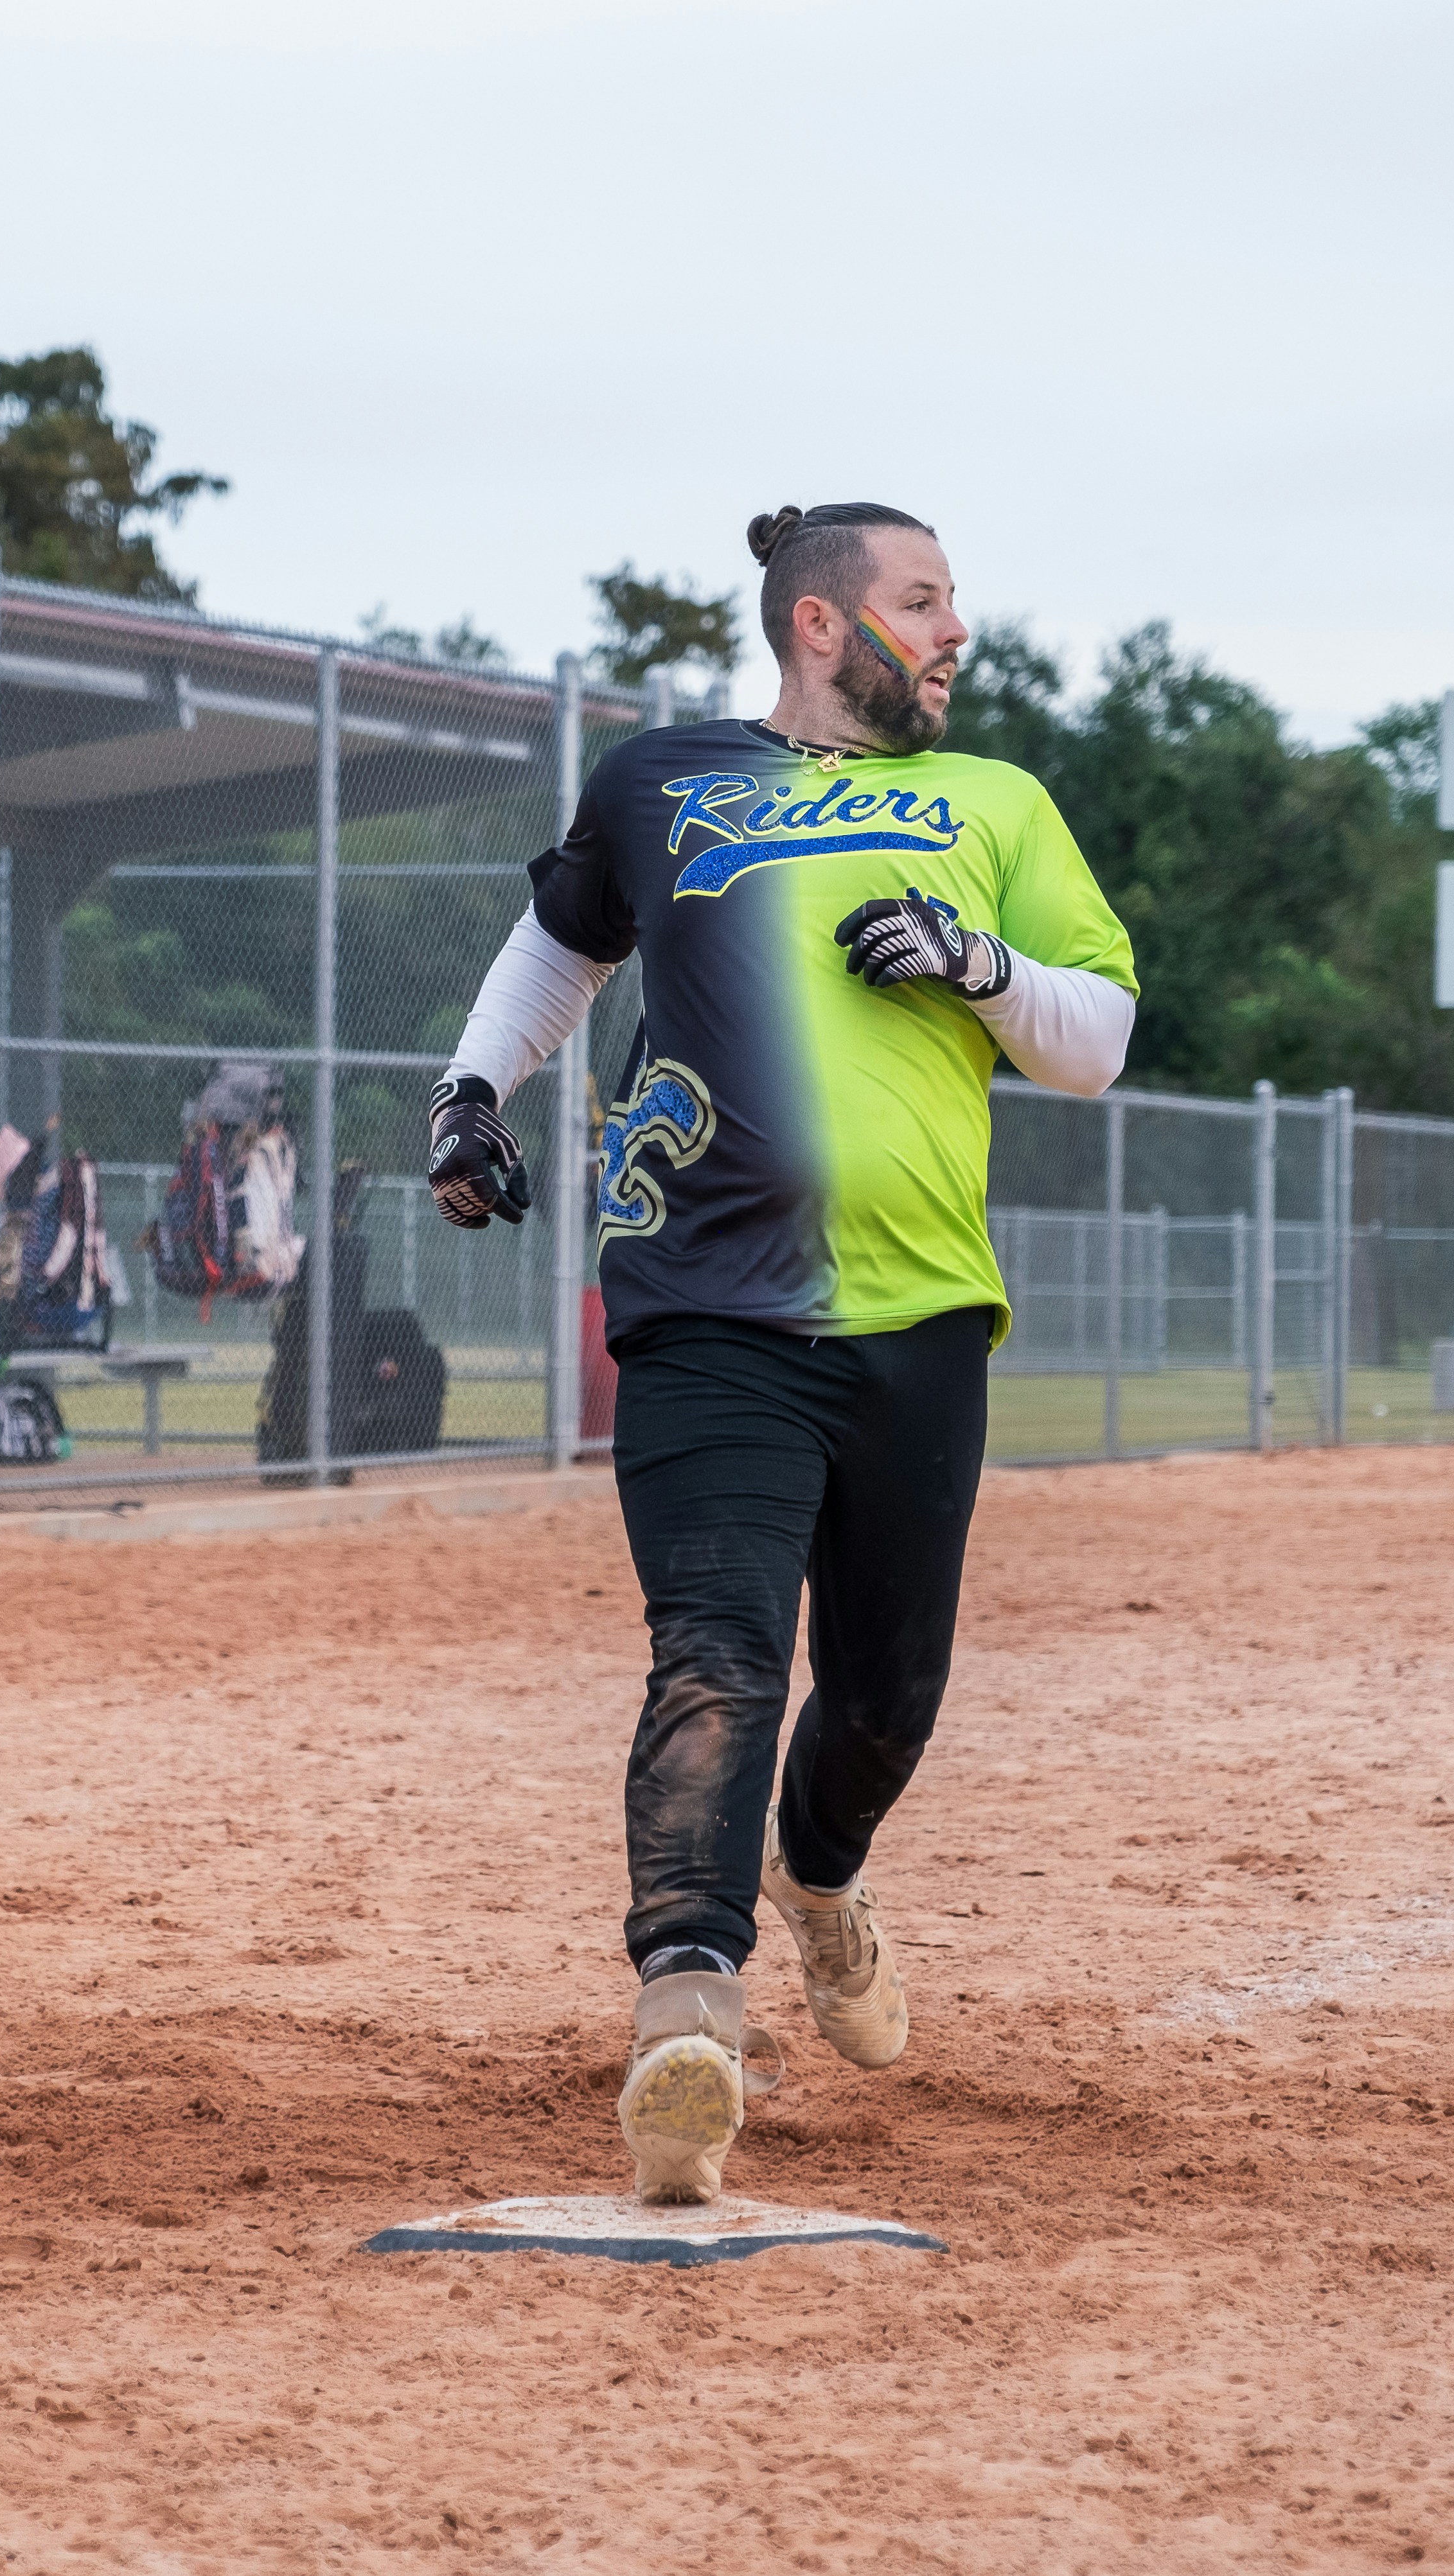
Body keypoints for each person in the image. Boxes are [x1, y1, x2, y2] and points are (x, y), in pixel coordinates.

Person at [427, 502, 1137, 2203]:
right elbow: (559, 945)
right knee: (718, 1648)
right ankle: (688, 1996)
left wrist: (980, 963)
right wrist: (469, 1099)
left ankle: (822, 1875)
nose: (955, 627)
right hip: (702, 1309)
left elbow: (1099, 1036)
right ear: (822, 624)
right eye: (923, 598)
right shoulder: (660, 781)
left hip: (919, 1316)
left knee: (888, 1693)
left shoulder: (997, 807)